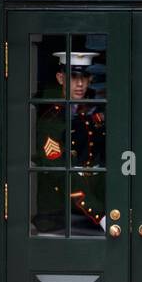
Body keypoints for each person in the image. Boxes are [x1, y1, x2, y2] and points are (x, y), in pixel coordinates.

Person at [33, 51, 107, 234]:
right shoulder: (52, 120)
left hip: (97, 203)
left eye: (84, 77)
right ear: (60, 78)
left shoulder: (94, 112)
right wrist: (100, 214)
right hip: (63, 214)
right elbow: (60, 173)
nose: (80, 84)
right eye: (73, 77)